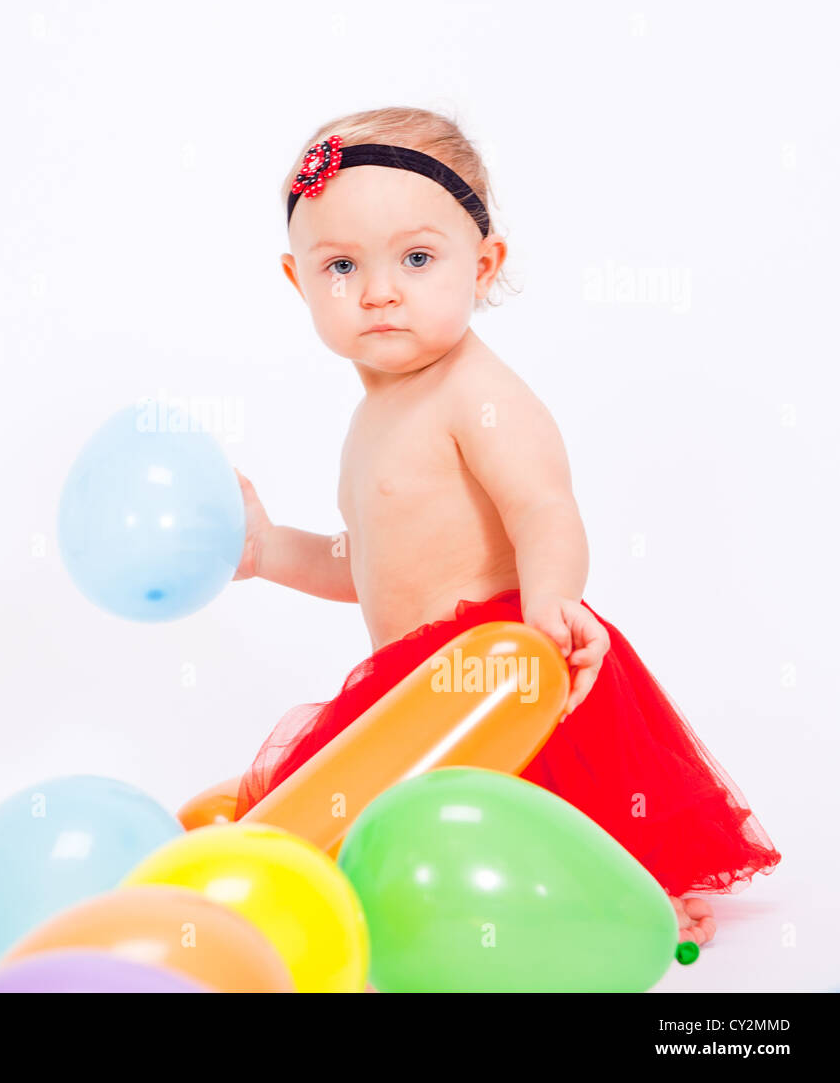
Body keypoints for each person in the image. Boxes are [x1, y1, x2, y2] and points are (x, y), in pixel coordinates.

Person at [232, 107, 781, 946]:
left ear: (482, 264)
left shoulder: (475, 395)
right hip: (412, 690)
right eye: (342, 265)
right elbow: (365, 564)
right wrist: (270, 549)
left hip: (502, 665)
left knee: (532, 810)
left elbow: (543, 506)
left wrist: (554, 598)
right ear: (297, 279)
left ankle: (619, 898)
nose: (379, 289)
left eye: (417, 258)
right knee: (407, 835)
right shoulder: (369, 420)